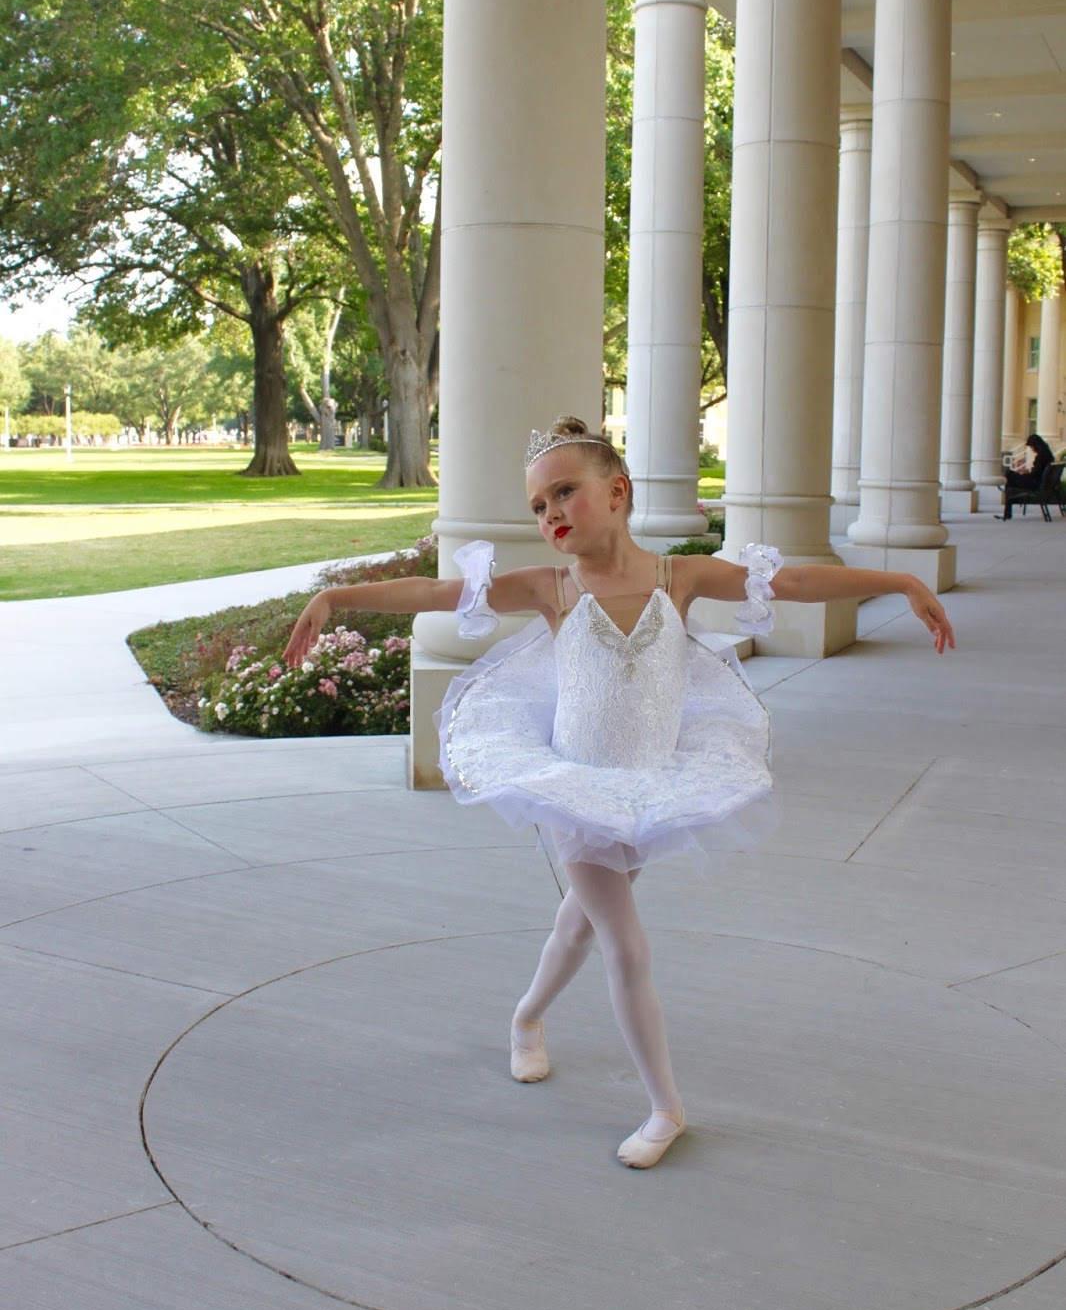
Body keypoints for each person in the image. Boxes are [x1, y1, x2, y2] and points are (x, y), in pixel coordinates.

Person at [284, 416, 955, 1169]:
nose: (550, 515)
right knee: (624, 944)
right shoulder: (551, 588)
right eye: (539, 506)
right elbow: (440, 592)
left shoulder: (680, 578)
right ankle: (665, 1107)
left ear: (618, 491)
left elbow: (792, 581)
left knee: (577, 927)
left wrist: (898, 580)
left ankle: (526, 1019)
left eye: (564, 492)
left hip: (650, 783)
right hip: (576, 788)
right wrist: (338, 600)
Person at [998, 432, 1055, 518]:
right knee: (1010, 482)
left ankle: (1007, 512)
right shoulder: (1048, 456)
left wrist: (1025, 475)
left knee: (1009, 474)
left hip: (1034, 484)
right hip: (1039, 483)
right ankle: (1007, 511)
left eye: (1031, 447)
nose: (1031, 449)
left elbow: (1034, 474)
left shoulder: (1041, 457)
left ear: (1036, 446)